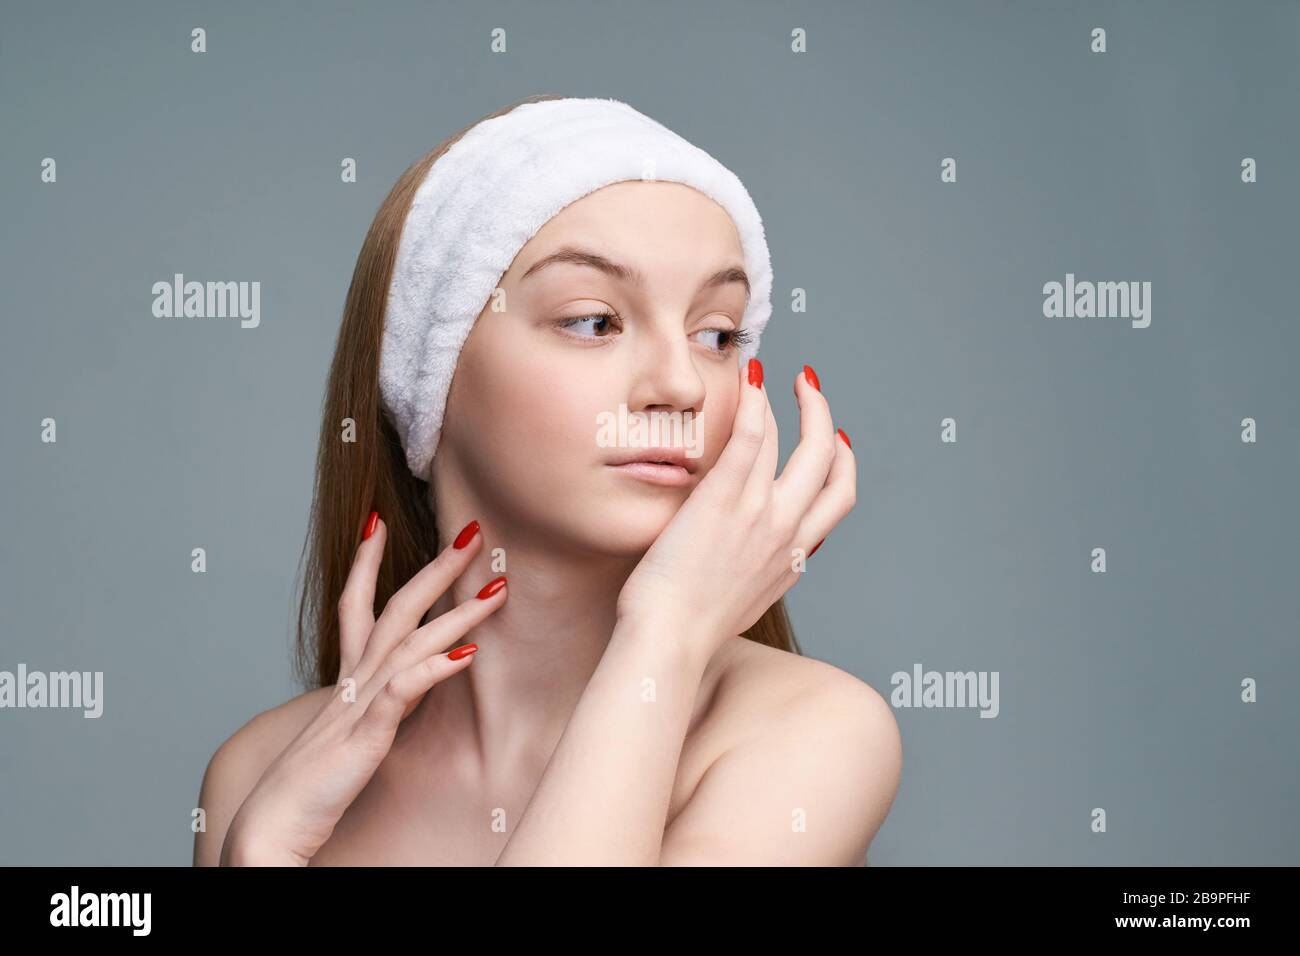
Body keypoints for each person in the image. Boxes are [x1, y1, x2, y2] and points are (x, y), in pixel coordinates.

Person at [192, 94, 901, 866]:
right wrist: (259, 850)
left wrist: (663, 634)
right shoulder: (258, 779)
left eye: (717, 334)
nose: (682, 385)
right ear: (431, 375)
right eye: (595, 321)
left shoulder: (813, 734)